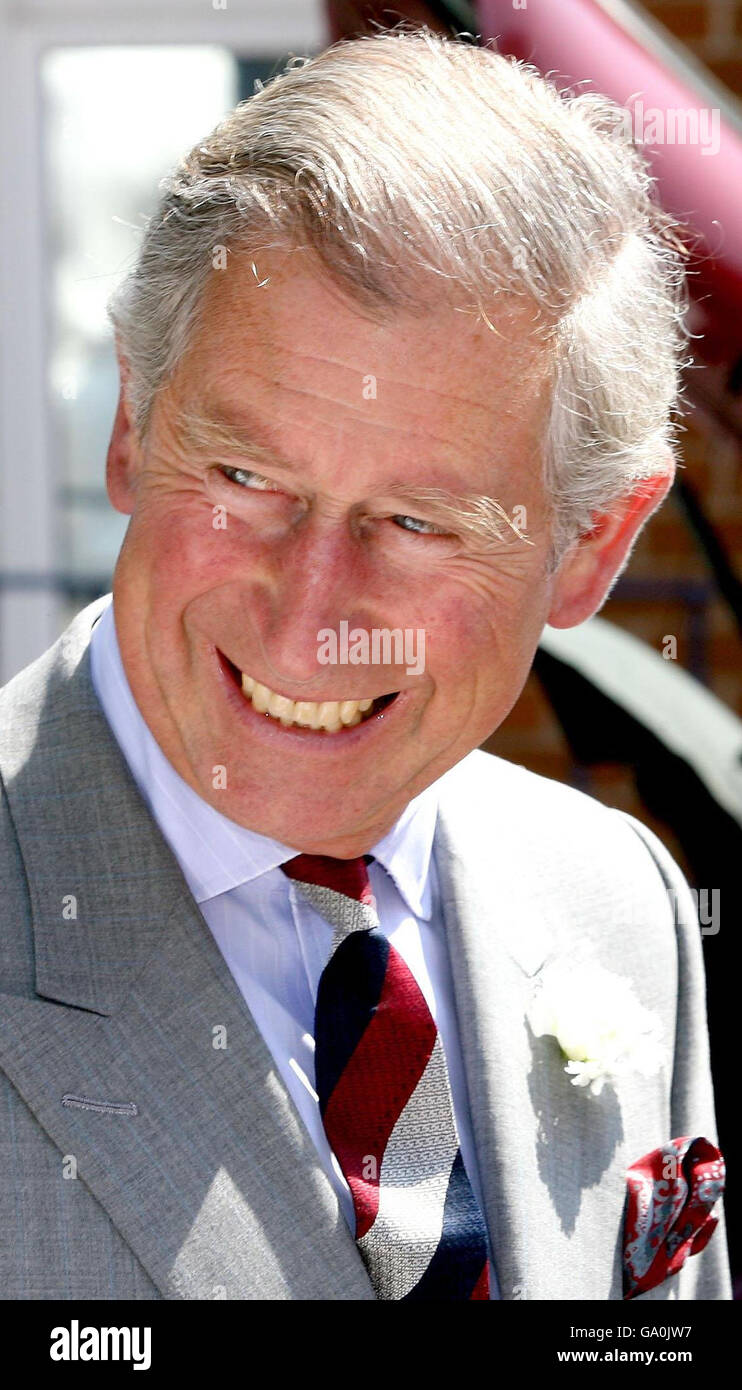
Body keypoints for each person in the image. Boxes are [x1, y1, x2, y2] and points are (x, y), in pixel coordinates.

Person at [0, 29, 730, 1300]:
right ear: (132, 421)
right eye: (242, 477)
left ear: (593, 545)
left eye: (417, 523)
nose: (311, 617)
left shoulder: (619, 901)